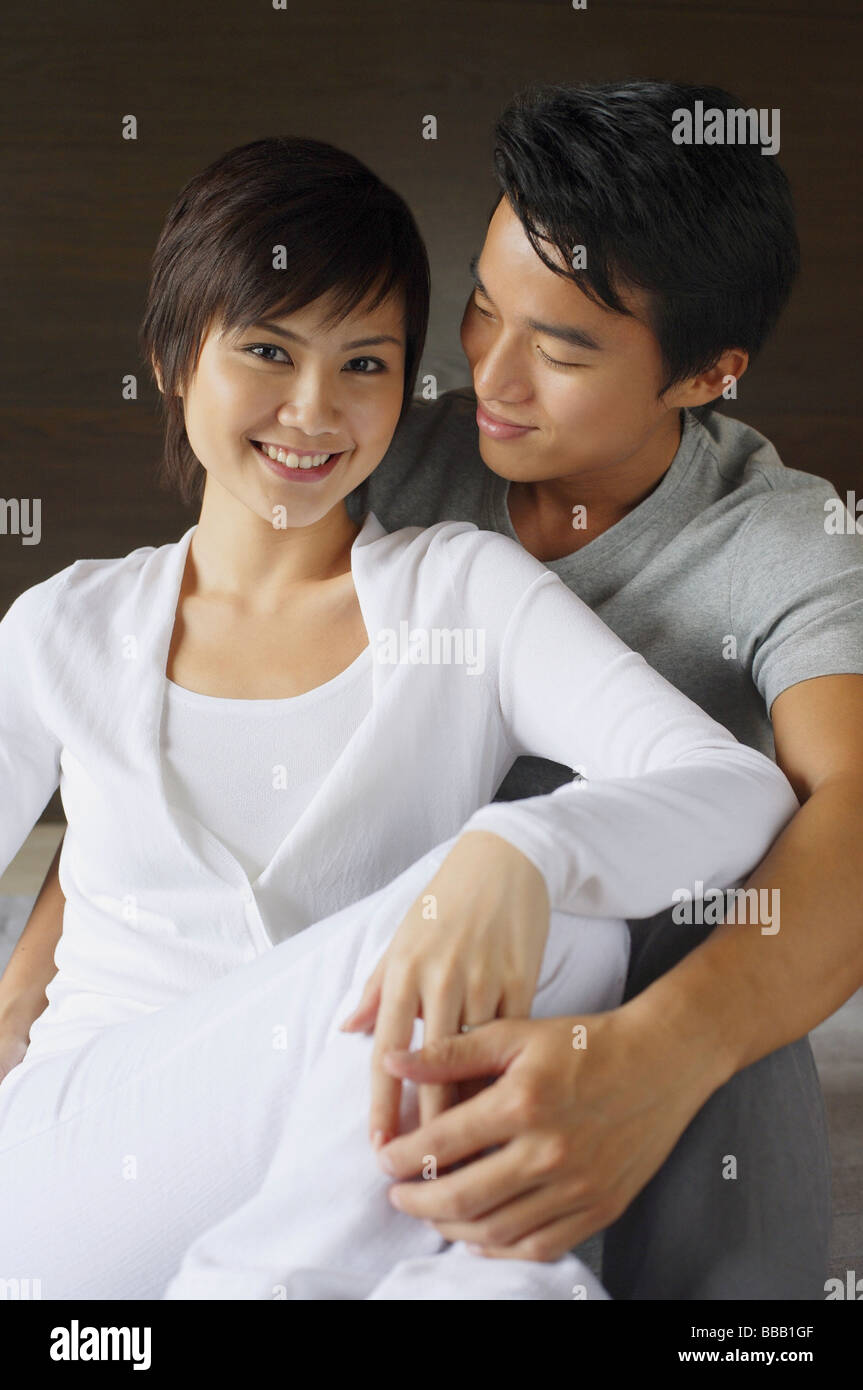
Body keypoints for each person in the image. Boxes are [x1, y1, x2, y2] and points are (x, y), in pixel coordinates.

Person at [0, 133, 797, 1300]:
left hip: (356, 1178)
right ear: (176, 357)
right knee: (541, 937)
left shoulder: (461, 589)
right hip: (78, 1183)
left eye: (365, 365)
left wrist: (518, 848)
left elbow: (735, 784)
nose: (314, 410)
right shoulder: (61, 628)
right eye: (267, 350)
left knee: (514, 1273)